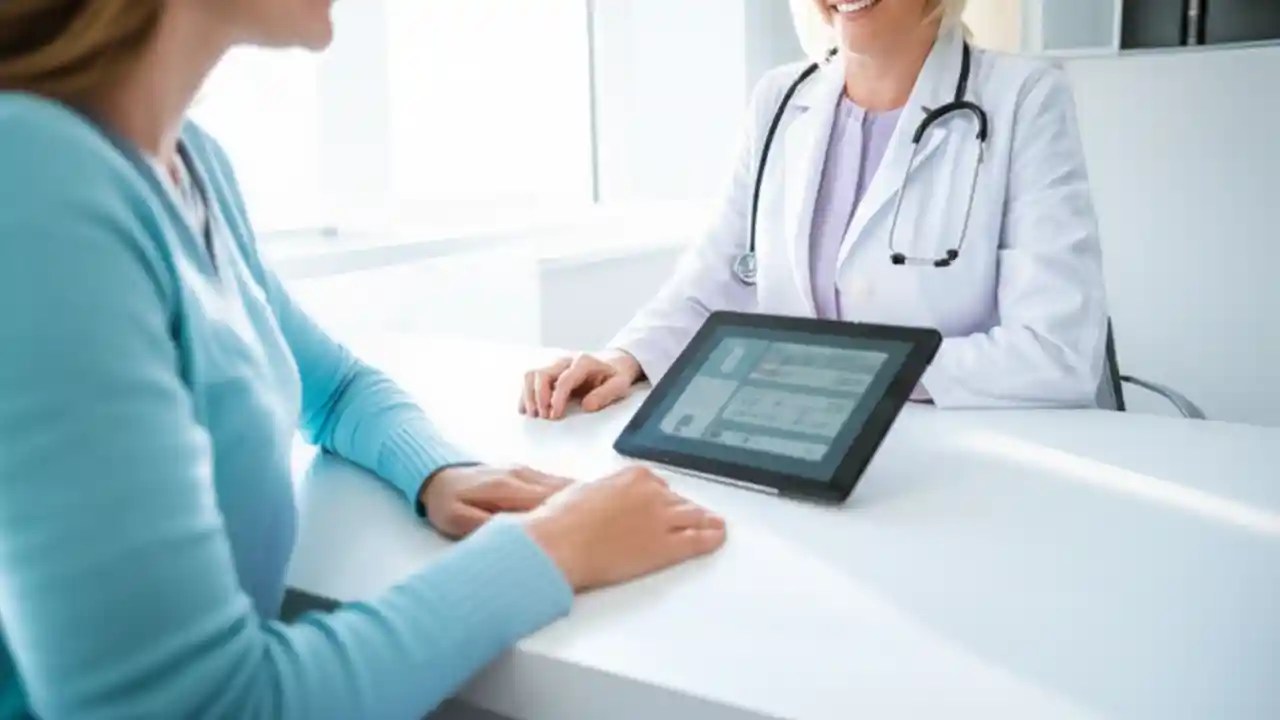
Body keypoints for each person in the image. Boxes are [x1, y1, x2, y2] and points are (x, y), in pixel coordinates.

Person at [0, 1, 726, 718]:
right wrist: (549, 550)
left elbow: (338, 389)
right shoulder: (35, 183)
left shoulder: (190, 165)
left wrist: (440, 472)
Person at [520, 0, 1110, 420]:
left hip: (969, 453)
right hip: (798, 439)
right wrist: (624, 357)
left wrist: (846, 374)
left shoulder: (1024, 98)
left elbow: (1055, 351)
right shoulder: (780, 99)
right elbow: (717, 280)